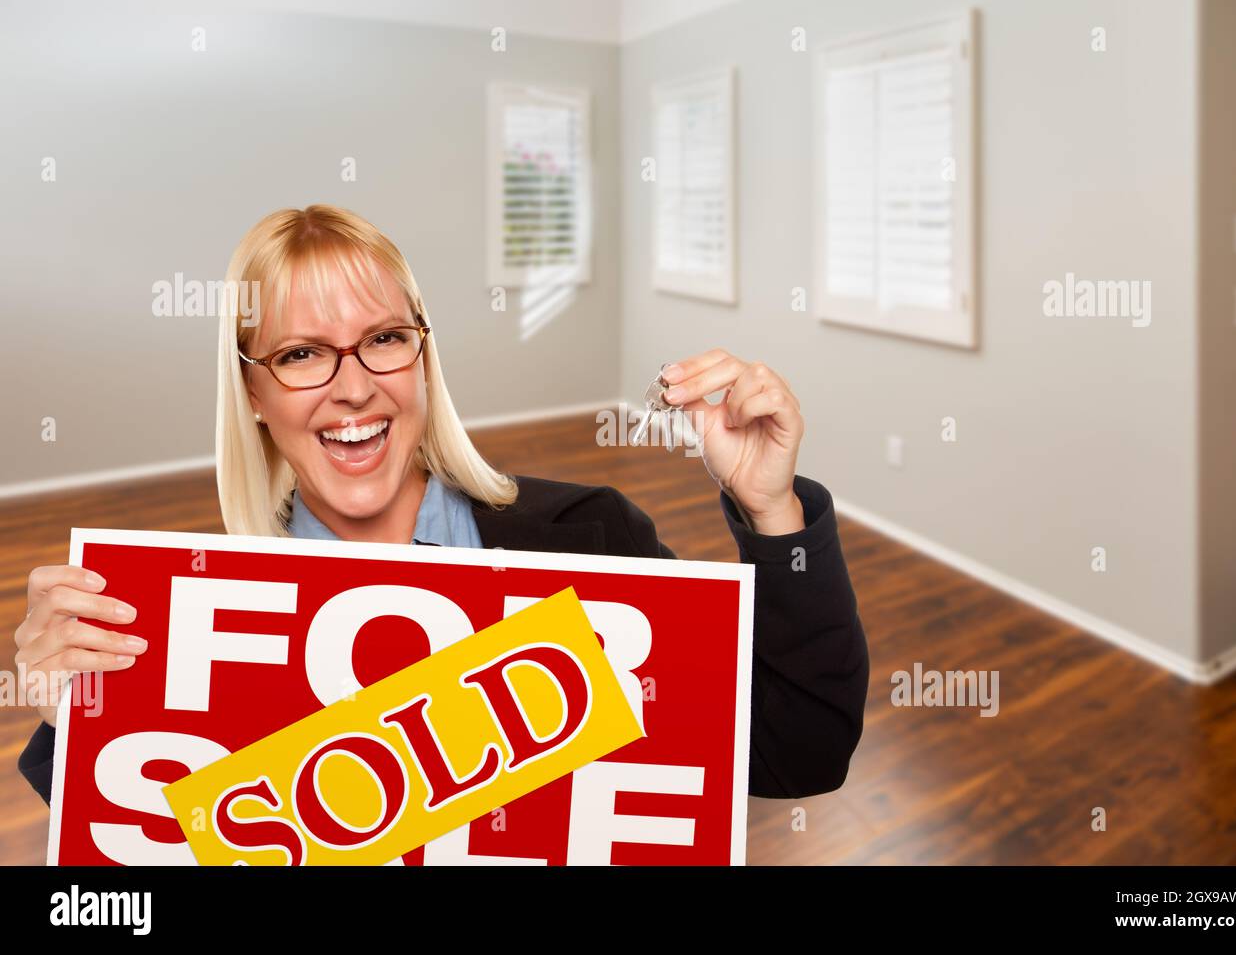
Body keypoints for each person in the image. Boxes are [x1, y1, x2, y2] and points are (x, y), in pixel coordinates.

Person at [15, 204, 868, 810]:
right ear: (252, 394)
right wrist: (79, 726)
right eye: (303, 353)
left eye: (385, 339)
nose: (354, 389)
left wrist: (772, 512)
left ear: (423, 357)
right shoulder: (187, 633)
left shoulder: (594, 537)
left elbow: (800, 750)